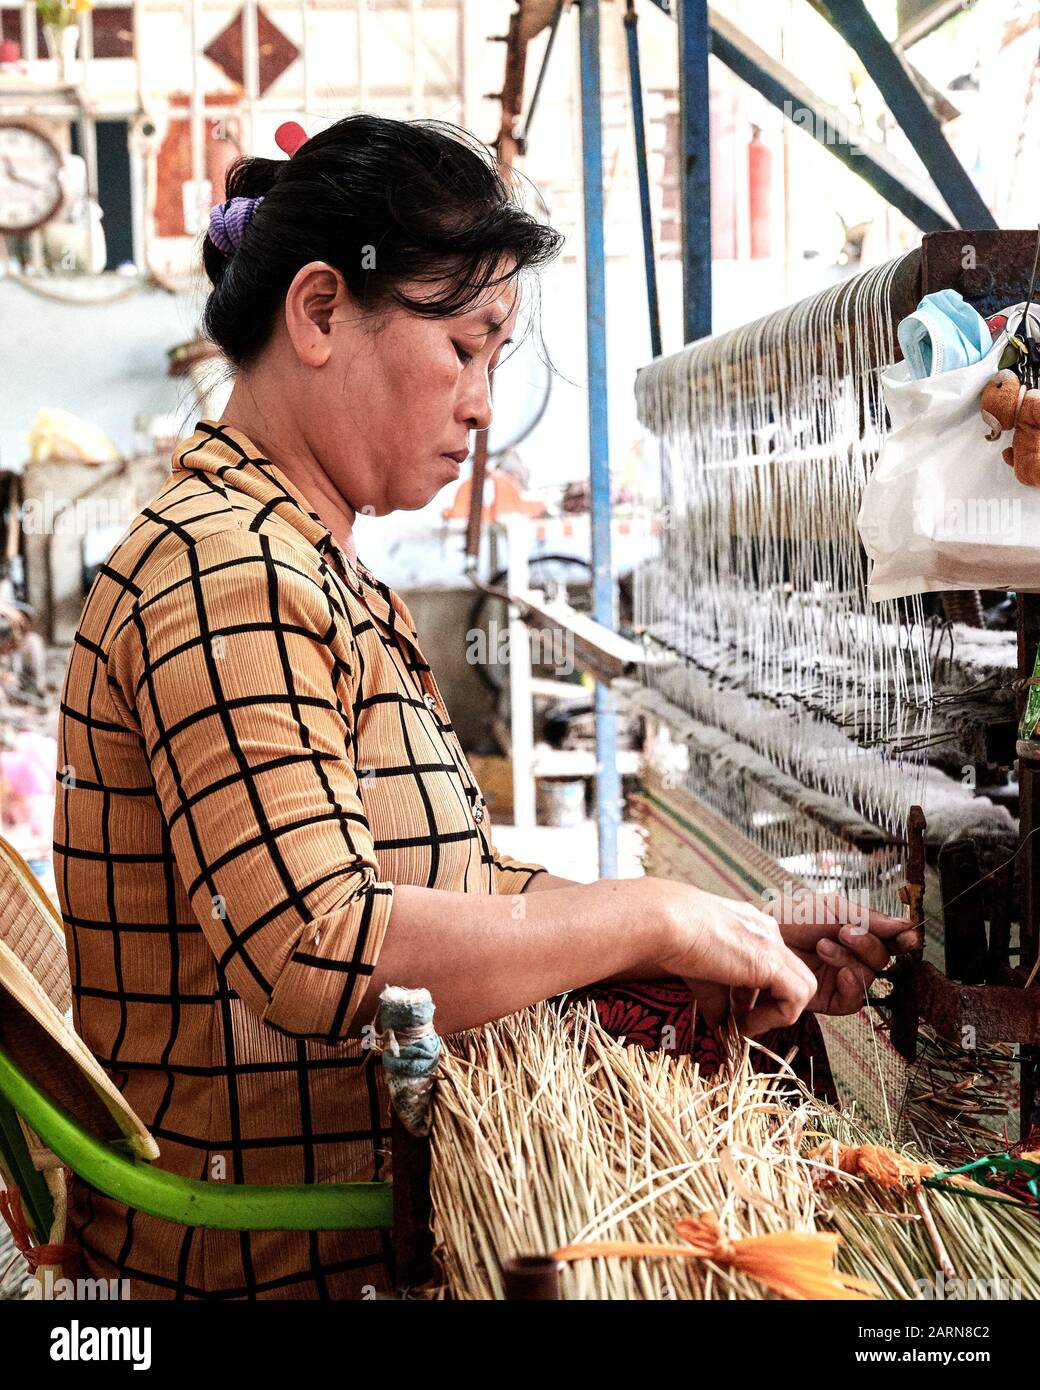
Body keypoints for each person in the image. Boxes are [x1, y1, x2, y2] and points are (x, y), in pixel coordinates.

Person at [53, 113, 915, 1300]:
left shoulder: (307, 557)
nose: (479, 403)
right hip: (271, 1262)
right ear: (316, 312)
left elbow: (444, 888)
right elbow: (321, 942)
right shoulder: (229, 568)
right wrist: (648, 916)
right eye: (464, 346)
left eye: (495, 359)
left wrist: (707, 935)